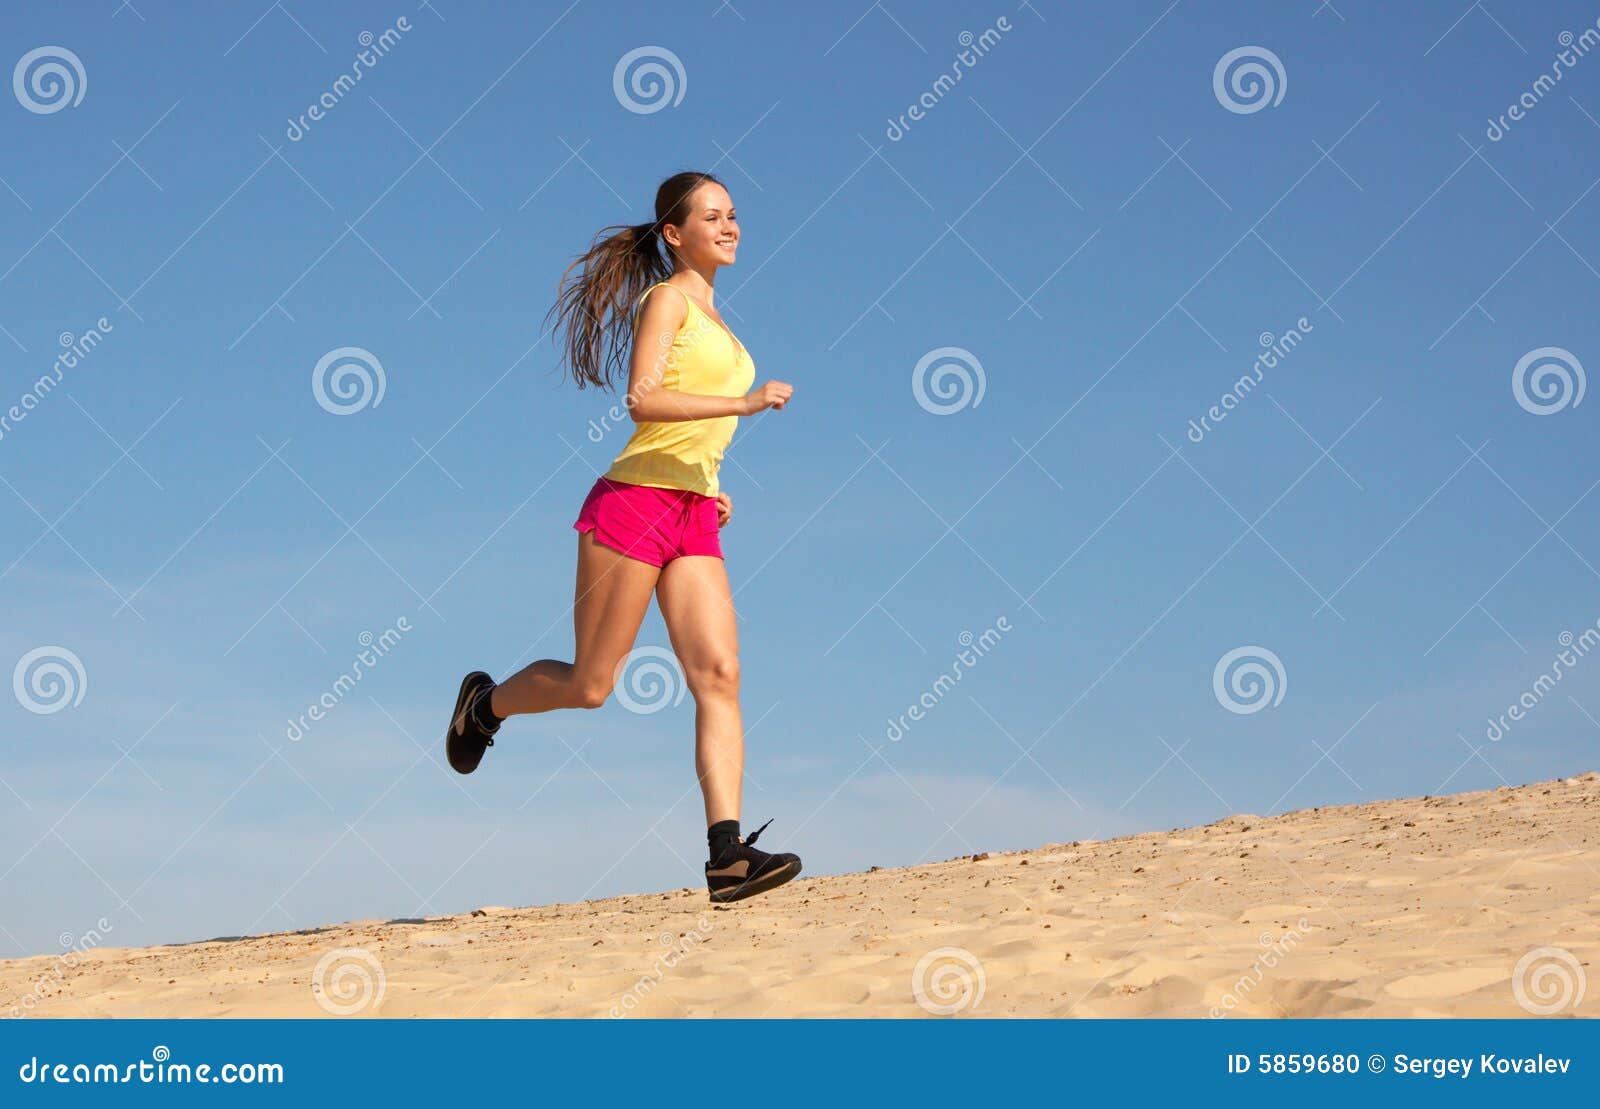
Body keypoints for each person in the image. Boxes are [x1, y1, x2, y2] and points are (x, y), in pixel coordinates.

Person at [444, 170, 801, 904]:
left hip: (692, 510)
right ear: (675, 234)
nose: (730, 226)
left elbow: (694, 431)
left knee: (720, 674)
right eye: (712, 217)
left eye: (733, 214)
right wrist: (743, 403)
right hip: (633, 504)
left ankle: (727, 856)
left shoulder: (721, 320)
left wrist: (708, 480)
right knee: (592, 684)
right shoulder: (667, 300)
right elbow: (643, 399)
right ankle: (484, 707)